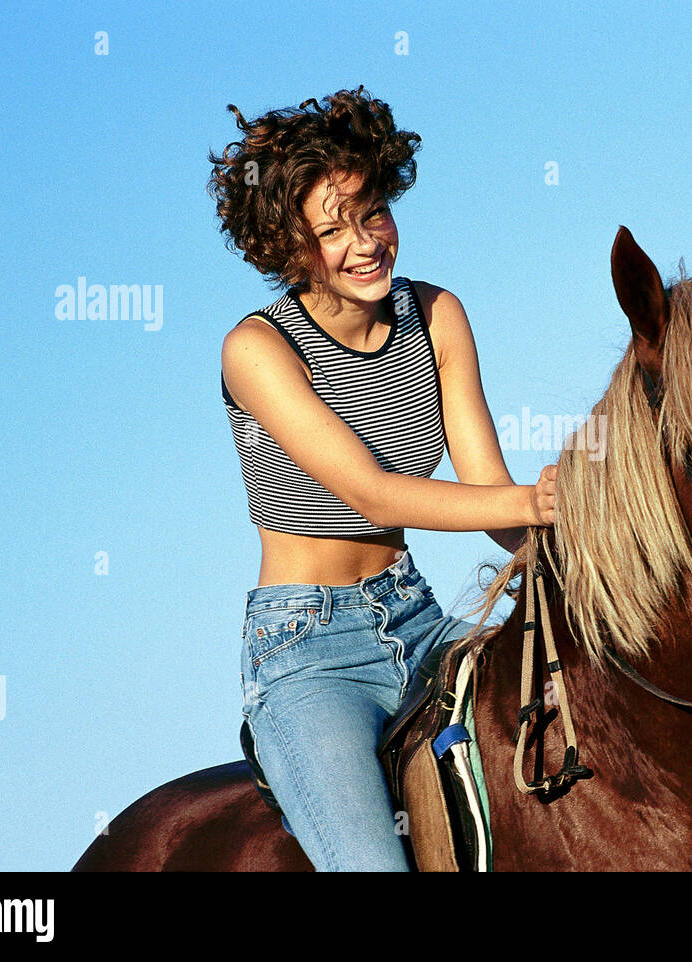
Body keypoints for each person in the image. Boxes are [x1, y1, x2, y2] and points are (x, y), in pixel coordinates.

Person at [210, 88, 557, 871]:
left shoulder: (437, 314)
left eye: (371, 213)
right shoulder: (256, 350)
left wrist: (589, 538)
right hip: (307, 653)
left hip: (421, 619)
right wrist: (536, 499)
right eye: (331, 229)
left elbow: (490, 497)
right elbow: (371, 493)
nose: (364, 242)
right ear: (287, 245)